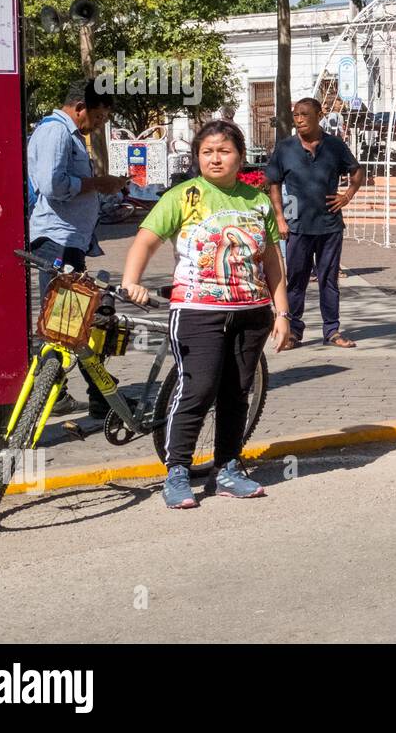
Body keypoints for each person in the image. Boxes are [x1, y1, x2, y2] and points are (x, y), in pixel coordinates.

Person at [120, 121, 290, 509]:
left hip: (251, 313)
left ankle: (228, 467)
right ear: (197, 157)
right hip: (198, 312)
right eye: (207, 152)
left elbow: (272, 261)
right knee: (198, 389)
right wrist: (132, 281)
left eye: (224, 151)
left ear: (240, 157)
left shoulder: (257, 200)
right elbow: (146, 240)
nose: (216, 158)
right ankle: (177, 470)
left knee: (236, 393)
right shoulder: (183, 196)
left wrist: (282, 313)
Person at [26, 79, 128, 416]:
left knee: (74, 319)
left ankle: (85, 391)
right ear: (80, 108)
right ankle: (62, 393)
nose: (98, 125)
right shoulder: (56, 132)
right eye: (98, 117)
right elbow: (52, 184)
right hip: (57, 239)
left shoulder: (70, 134)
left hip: (70, 240)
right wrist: (99, 183)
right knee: (65, 322)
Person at [265, 98, 366, 349]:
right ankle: (293, 331)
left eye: (304, 114)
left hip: (329, 226)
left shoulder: (334, 146)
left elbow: (357, 170)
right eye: (296, 115)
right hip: (297, 225)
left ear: (319, 115)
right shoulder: (285, 148)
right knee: (296, 281)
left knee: (328, 280)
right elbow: (273, 183)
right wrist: (279, 218)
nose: (298, 119)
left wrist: (347, 195)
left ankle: (332, 330)